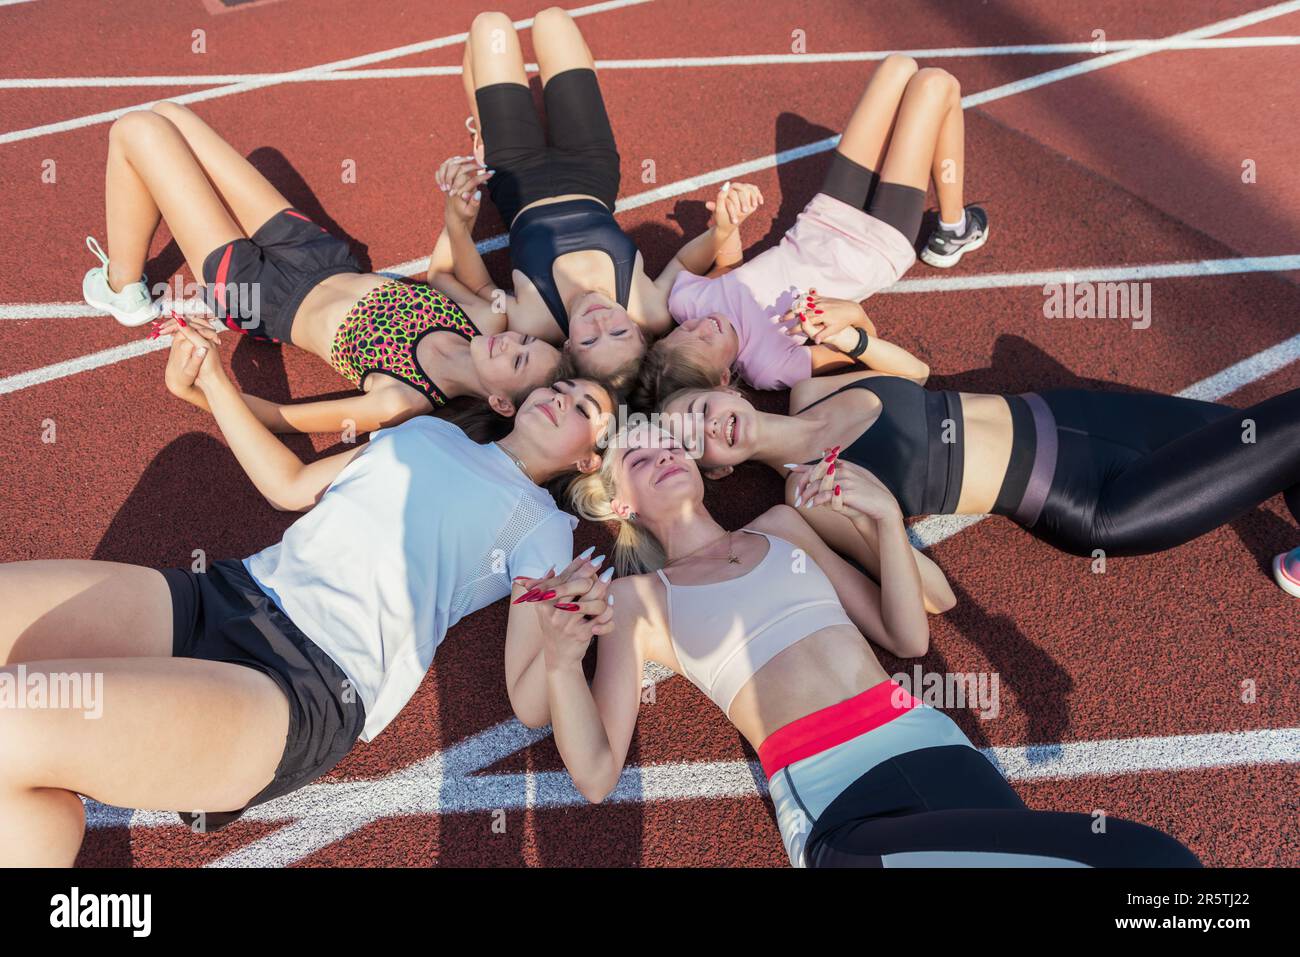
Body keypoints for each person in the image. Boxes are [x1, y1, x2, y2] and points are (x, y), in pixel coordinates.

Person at [0, 324, 616, 866]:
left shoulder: (543, 526)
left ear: (589, 462)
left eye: (585, 407)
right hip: (227, 594)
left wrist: (562, 655)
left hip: (305, 682)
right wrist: (214, 380)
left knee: (11, 719)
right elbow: (288, 485)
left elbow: (529, 700)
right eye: (559, 388)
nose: (563, 399)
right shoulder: (430, 432)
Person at [512, 424, 1199, 867]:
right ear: (621, 504)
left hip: (937, 747)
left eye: (669, 443)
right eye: (639, 454)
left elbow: (906, 633)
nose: (663, 453)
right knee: (1157, 865)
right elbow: (597, 775)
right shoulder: (640, 599)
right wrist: (564, 661)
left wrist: (883, 522)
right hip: (836, 796)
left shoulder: (784, 525)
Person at [81, 100, 560, 434]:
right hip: (318, 254)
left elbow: (276, 418)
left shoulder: (403, 399)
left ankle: (123, 288)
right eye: (524, 341)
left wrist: (194, 390)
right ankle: (126, 272)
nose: (511, 341)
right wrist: (458, 212)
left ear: (499, 402)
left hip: (260, 295)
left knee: (137, 129)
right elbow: (443, 274)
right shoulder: (483, 322)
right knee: (169, 117)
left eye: (517, 359)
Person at [661, 369, 1300, 565]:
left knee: (1272, 445)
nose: (710, 426)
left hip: (1091, 415)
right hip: (1091, 502)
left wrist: (851, 338)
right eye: (698, 443)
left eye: (698, 408)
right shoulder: (811, 494)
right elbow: (930, 600)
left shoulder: (810, 388)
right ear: (716, 471)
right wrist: (879, 515)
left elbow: (909, 368)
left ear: (725, 391)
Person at [637, 54, 988, 405]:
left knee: (897, 67)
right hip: (875, 247)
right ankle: (953, 227)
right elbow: (859, 350)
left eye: (684, 330)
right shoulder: (769, 366)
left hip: (824, 216)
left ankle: (954, 225)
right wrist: (842, 320)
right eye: (704, 340)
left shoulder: (688, 303)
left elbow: (729, 266)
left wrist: (728, 224)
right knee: (935, 85)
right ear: (724, 378)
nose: (701, 325)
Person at [444, 7, 763, 390]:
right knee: (553, 20)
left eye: (590, 340)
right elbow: (682, 261)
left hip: (516, 174)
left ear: (566, 348)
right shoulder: (648, 308)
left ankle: (482, 126)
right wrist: (721, 232)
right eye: (619, 333)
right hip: (590, 166)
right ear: (640, 333)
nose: (600, 322)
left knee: (489, 24)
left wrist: (457, 223)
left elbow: (480, 288)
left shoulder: (534, 319)